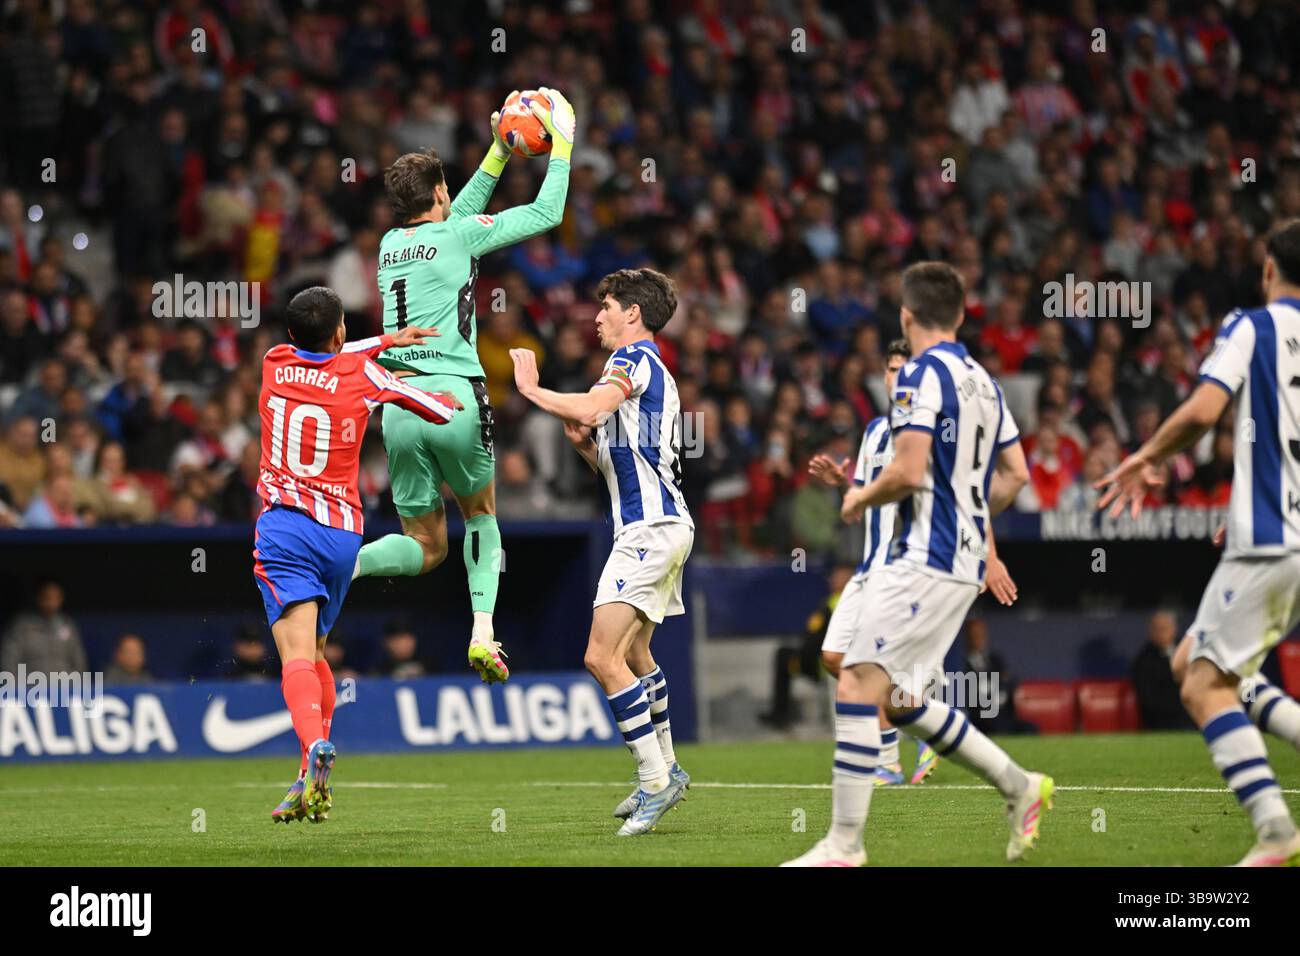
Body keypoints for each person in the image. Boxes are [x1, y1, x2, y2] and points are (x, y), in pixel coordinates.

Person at [784, 261, 1047, 867]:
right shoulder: (984, 381)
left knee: (854, 680)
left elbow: (905, 472)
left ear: (906, 315)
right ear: (960, 314)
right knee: (893, 696)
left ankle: (843, 847)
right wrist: (969, 517)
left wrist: (857, 497)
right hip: (954, 559)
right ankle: (1019, 786)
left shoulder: (919, 375)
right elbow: (1015, 477)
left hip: (922, 556)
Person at [350, 88, 576, 685]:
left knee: (424, 544)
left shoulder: (389, 246)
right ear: (439, 196)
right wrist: (563, 148)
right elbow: (546, 213)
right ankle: (483, 633)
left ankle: (343, 564)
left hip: (397, 405)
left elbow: (455, 212)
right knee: (480, 514)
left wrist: (500, 154)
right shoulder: (456, 236)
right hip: (454, 397)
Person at [1098, 220, 1300, 864]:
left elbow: (1205, 409)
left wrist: (1147, 455)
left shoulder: (1254, 326)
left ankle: (1274, 829)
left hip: (1272, 540)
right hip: (1275, 529)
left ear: (1269, 270)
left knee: (1202, 688)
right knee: (1190, 660)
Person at [254, 285, 460, 825]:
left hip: (286, 528)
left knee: (295, 653)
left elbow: (326, 356)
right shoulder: (365, 378)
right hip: (344, 537)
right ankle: (307, 777)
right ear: (341, 331)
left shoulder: (274, 363)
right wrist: (437, 391)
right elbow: (436, 411)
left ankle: (313, 748)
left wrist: (379, 340)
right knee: (318, 649)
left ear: (292, 334)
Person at [509, 267, 692, 837]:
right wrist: (588, 451)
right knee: (636, 655)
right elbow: (621, 459)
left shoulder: (630, 360)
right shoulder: (655, 370)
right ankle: (669, 770)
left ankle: (655, 781)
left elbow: (590, 407)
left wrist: (532, 391)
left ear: (632, 314)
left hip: (649, 530)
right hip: (662, 526)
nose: (597, 317)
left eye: (606, 306)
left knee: (599, 657)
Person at [0, 579, 85, 677]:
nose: (51, 603)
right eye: (47, 597)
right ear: (38, 598)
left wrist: (79, 687)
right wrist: (17, 689)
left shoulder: (67, 625)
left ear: (61, 599)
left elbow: (79, 662)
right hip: (31, 687)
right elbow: (9, 661)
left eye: (55, 598)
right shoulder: (21, 626)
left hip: (65, 687)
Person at [1131, 610, 1192, 730]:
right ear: (1149, 631)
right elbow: (1148, 699)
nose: (1160, 633)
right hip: (1160, 722)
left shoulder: (1188, 652)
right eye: (1156, 629)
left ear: (1174, 629)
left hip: (1191, 717)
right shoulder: (1143, 661)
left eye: (1164, 628)